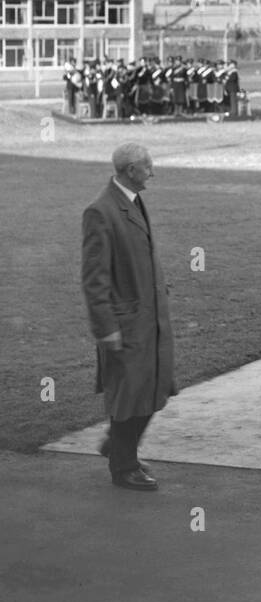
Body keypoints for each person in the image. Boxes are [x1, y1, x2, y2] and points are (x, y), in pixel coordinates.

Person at [80, 144, 176, 491]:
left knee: (155, 389)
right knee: (130, 397)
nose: (153, 172)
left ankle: (117, 446)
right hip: (126, 326)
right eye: (148, 167)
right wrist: (106, 331)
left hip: (150, 321)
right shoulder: (100, 212)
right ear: (131, 170)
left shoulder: (132, 200)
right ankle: (124, 467)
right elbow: (95, 279)